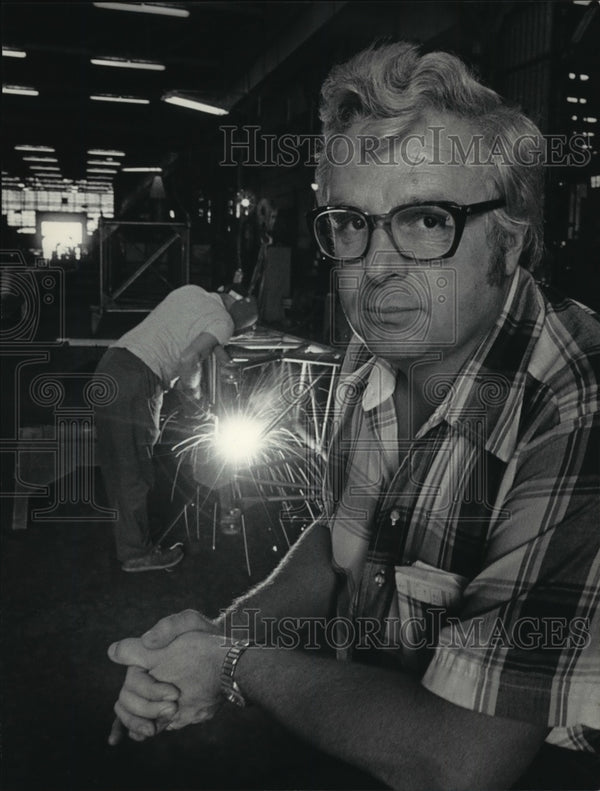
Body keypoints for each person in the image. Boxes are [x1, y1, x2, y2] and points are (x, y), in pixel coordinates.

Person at [106, 42, 600, 788]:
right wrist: (221, 633)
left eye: (428, 219)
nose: (376, 265)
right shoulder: (369, 356)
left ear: (512, 239)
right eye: (350, 223)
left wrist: (236, 660)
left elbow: (462, 760)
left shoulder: (575, 402)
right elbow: (339, 547)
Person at [94, 284, 258, 572]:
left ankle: (130, 543)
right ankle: (136, 554)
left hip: (111, 366)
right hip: (137, 380)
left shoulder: (191, 292)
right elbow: (188, 359)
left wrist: (218, 351)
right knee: (134, 471)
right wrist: (194, 402)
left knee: (119, 467)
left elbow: (197, 335)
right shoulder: (224, 322)